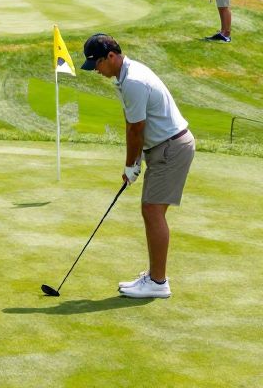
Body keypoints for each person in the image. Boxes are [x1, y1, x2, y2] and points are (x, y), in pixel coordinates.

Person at [80, 33, 195, 300]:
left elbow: (135, 130)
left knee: (152, 211)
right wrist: (136, 161)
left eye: (97, 64)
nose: (96, 70)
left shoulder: (132, 80)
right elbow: (134, 123)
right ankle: (155, 276)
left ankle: (158, 282)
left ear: (111, 56)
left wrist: (131, 164)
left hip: (170, 147)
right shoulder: (125, 75)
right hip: (164, 145)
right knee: (151, 210)